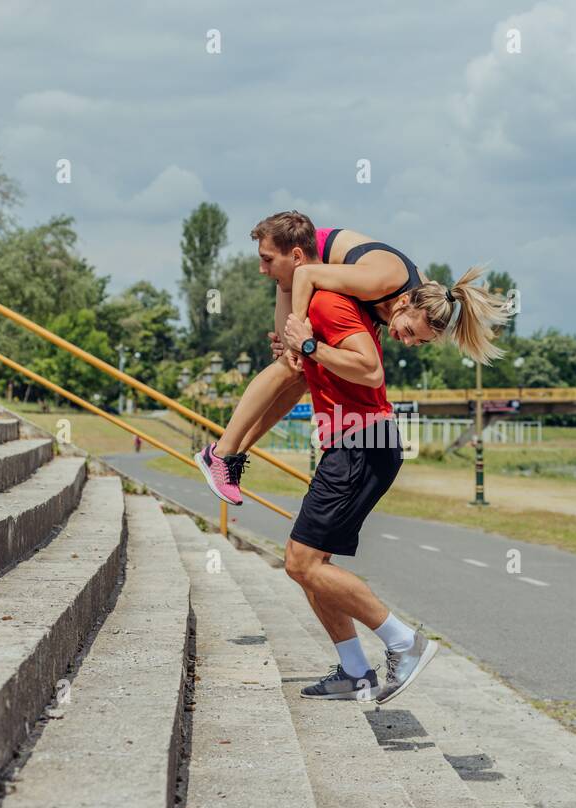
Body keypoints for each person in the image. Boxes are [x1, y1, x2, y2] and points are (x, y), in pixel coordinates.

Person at [194, 211, 508, 505]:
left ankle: (229, 457)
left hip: (315, 271)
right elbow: (305, 275)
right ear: (403, 304)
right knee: (291, 364)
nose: (409, 341)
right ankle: (222, 453)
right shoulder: (380, 282)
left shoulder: (421, 303)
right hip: (302, 257)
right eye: (410, 331)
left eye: (418, 342)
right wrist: (297, 335)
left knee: (303, 374)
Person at [281, 284, 435, 703]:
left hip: (361, 443)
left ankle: (403, 642)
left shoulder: (329, 304)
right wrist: (294, 342)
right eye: (412, 334)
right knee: (312, 564)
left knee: (301, 563)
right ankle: (354, 671)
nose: (263, 270)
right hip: (358, 443)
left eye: (268, 260)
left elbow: (369, 370)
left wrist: (307, 343)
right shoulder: (339, 307)